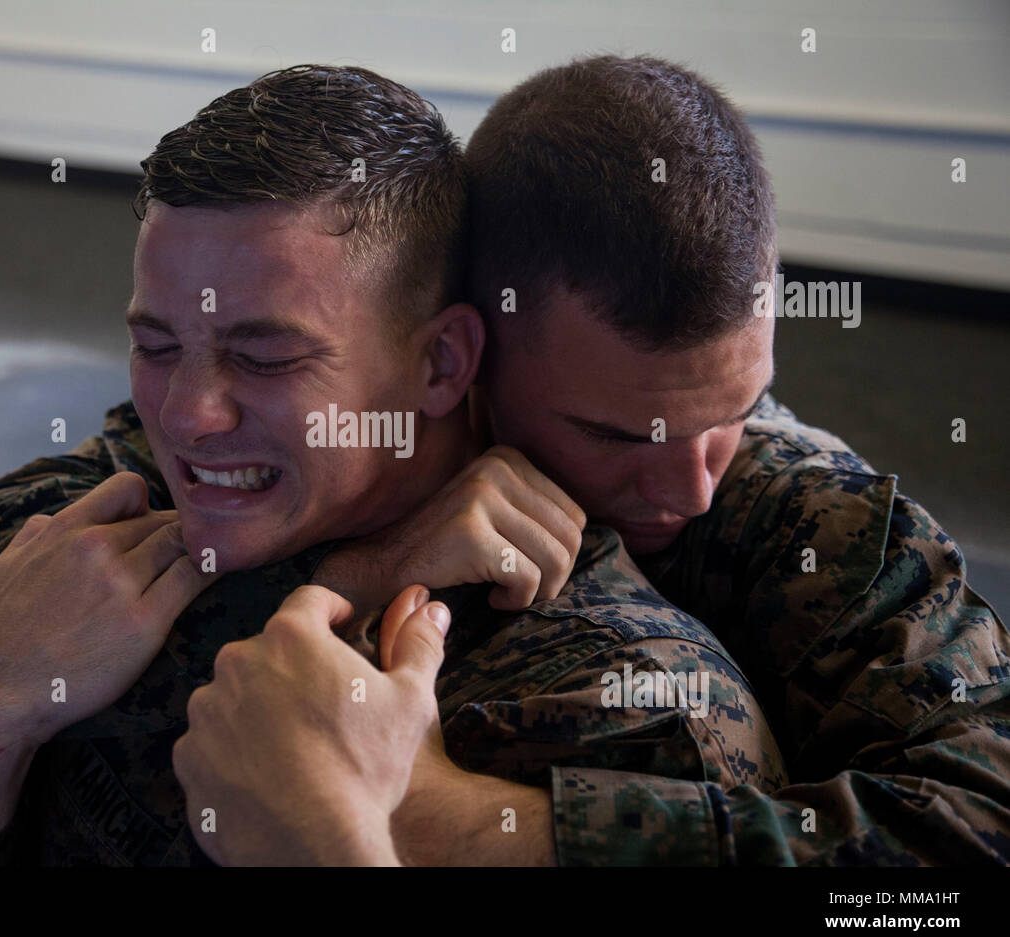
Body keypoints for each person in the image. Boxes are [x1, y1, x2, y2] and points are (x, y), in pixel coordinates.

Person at [0, 64, 783, 866]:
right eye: (157, 344)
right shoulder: (143, 491)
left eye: (266, 357)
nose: (189, 416)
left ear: (441, 363)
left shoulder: (619, 702)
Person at [178, 56, 1010, 865]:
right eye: (619, 435)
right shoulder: (366, 411)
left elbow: (979, 830)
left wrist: (439, 819)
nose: (692, 487)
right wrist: (373, 572)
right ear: (465, 357)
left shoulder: (827, 520)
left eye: (736, 412)